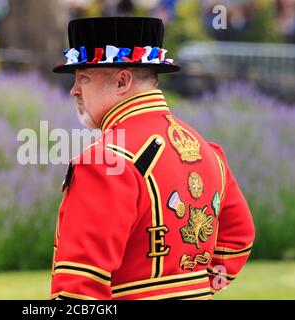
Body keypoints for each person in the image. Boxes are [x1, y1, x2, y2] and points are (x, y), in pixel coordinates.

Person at [50, 17, 255, 300]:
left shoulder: (103, 160)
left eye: (83, 77)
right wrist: (197, 288)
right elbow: (237, 239)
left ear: (122, 81)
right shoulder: (207, 151)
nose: (74, 90)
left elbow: (79, 288)